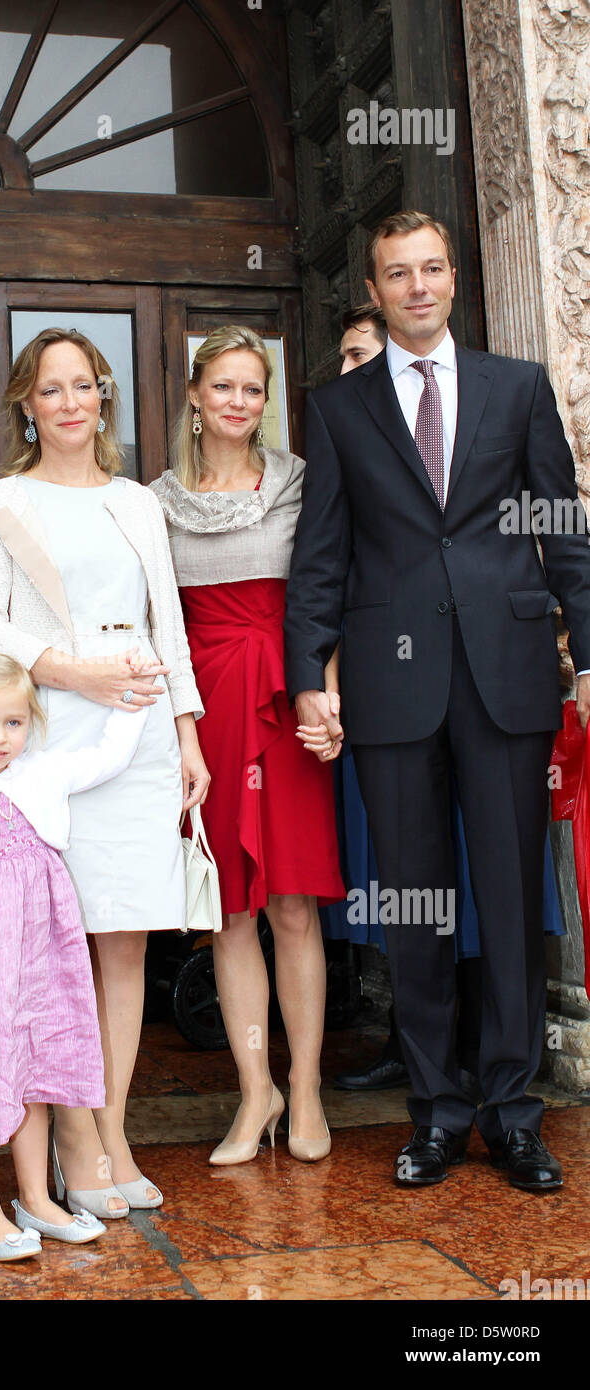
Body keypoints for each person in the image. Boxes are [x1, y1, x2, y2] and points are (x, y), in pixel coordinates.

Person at [284, 209, 590, 1191]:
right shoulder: (337, 410)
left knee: (505, 902)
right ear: (371, 290)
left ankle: (509, 1111)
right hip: (390, 683)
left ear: (451, 279)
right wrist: (306, 674)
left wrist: (586, 656)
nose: (415, 287)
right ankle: (434, 1112)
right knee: (414, 907)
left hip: (504, 675)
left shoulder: (518, 388)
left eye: (429, 269)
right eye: (394, 274)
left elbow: (564, 532)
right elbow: (319, 557)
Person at [0, 327, 208, 1217]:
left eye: (83, 386)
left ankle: (112, 1131)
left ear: (104, 397)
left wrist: (188, 736)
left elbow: (167, 623)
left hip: (137, 740)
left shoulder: (137, 501)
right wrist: (72, 672)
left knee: (126, 943)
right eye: (49, 389)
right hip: (50, 739)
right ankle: (67, 1135)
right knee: (55, 951)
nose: (69, 402)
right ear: (26, 403)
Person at [150, 325, 344, 1166]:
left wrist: (329, 689)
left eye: (253, 389)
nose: (238, 402)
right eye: (223, 386)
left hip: (286, 698)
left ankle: (304, 1089)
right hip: (202, 710)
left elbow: (330, 588)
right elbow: (158, 624)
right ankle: (253, 1089)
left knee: (294, 905)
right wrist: (177, 731)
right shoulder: (153, 500)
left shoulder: (302, 482)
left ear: (266, 402)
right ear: (195, 395)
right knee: (228, 910)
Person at [0, 652, 147, 1260]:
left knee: (34, 1074)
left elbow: (108, 757)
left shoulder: (42, 774)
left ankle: (35, 1199)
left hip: (42, 955)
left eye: (13, 723)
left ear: (30, 724)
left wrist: (135, 690)